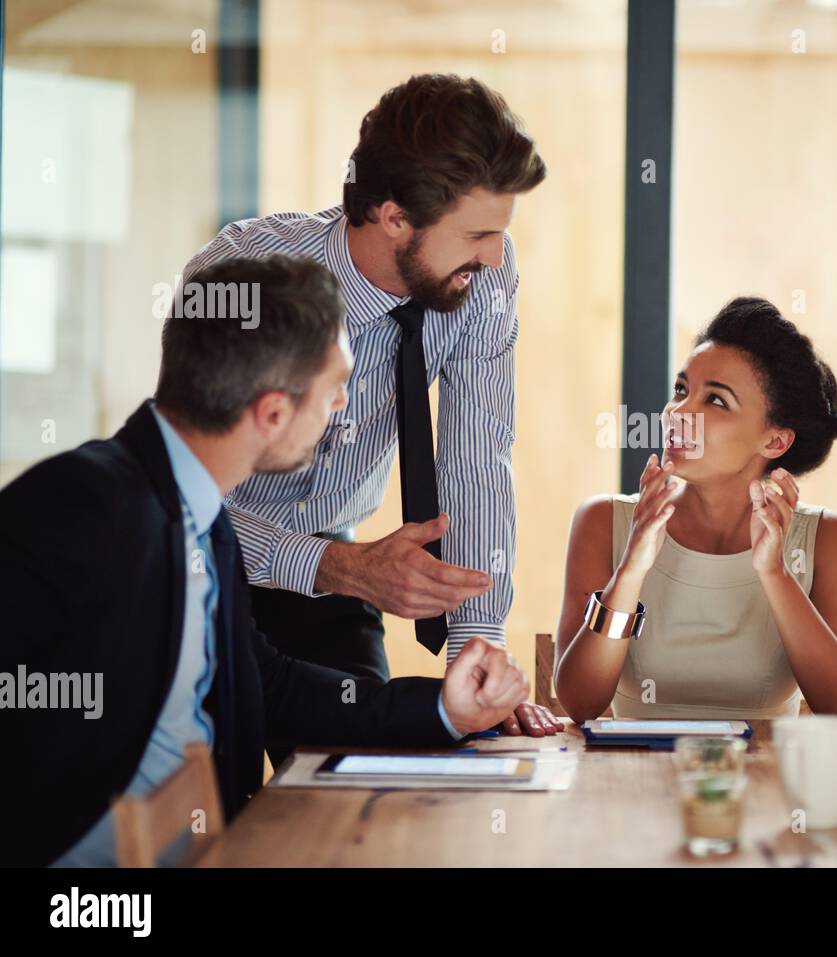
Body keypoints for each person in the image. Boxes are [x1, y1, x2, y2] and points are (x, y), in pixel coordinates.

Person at [0, 255, 530, 867]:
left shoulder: (202, 511)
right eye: (335, 388)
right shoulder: (77, 508)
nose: (341, 407)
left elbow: (266, 683)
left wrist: (441, 710)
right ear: (273, 414)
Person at [182, 73, 558, 744]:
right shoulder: (243, 276)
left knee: (374, 782)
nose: (495, 256)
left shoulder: (483, 281)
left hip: (339, 586)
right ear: (392, 216)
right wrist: (337, 565)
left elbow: (476, 459)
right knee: (224, 813)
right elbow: (186, 478)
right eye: (476, 234)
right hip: (207, 571)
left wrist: (476, 653)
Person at [554, 297, 837, 722]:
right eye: (681, 390)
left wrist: (774, 572)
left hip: (763, 783)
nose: (678, 413)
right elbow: (580, 702)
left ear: (775, 441)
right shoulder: (603, 522)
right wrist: (631, 569)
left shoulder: (825, 537)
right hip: (631, 779)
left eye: (716, 401)